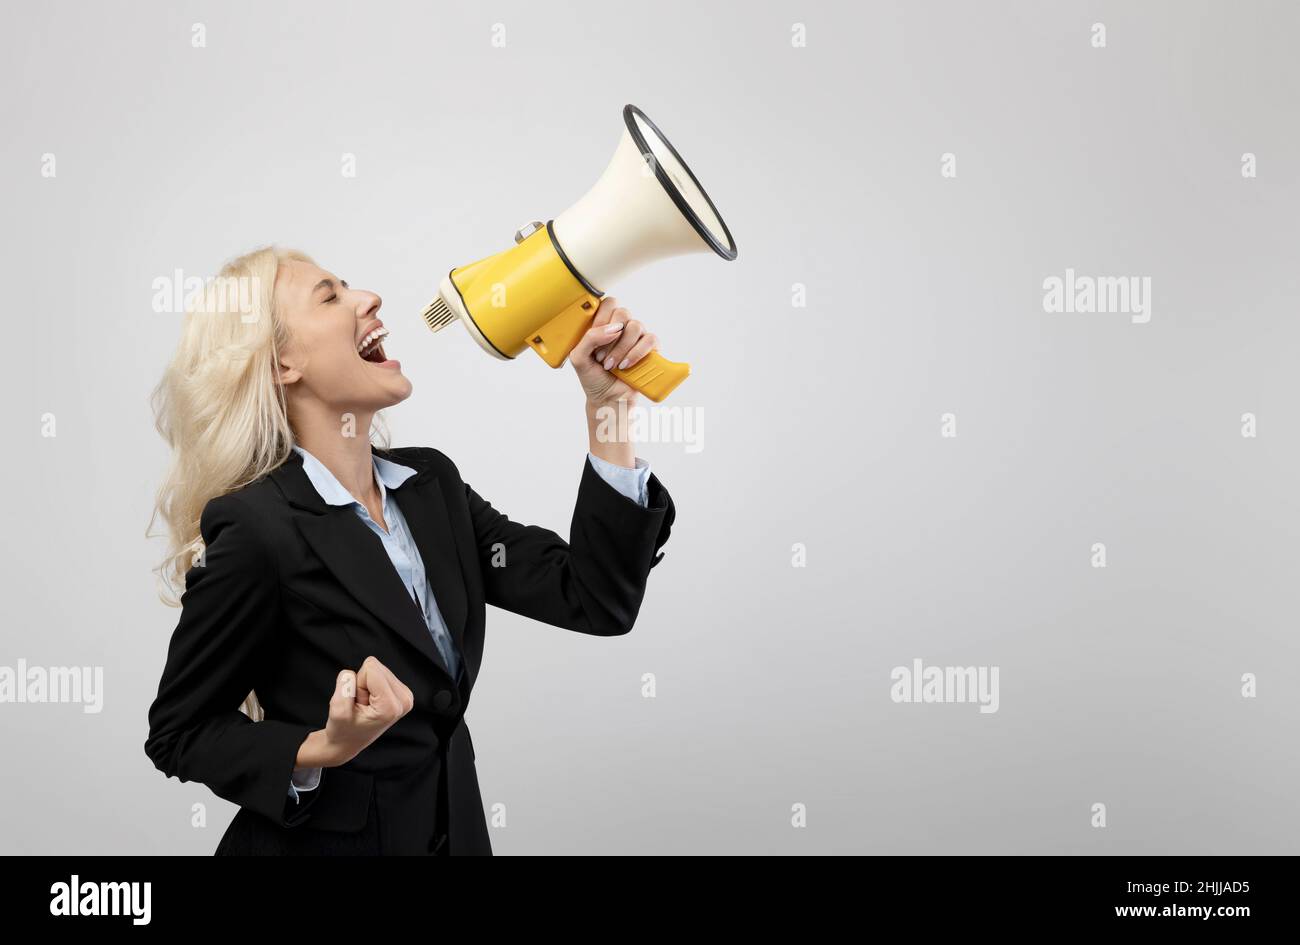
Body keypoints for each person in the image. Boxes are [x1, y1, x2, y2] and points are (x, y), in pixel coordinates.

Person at [143, 246, 675, 855]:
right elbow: (180, 731)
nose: (368, 297)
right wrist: (321, 748)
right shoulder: (258, 527)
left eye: (349, 285)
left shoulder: (431, 488)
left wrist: (607, 408)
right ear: (281, 362)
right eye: (329, 295)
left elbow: (595, 597)